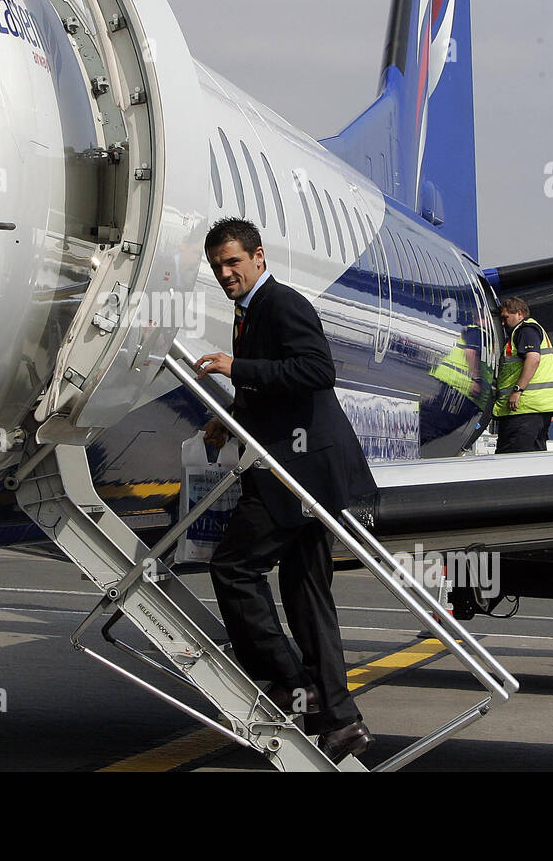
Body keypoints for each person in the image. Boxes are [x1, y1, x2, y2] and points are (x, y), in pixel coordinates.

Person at [192, 218, 375, 763]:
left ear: (258, 257)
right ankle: (340, 721)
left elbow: (316, 370)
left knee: (233, 568)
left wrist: (237, 366)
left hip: (296, 472)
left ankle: (291, 680)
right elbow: (277, 384)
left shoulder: (281, 303)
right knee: (307, 594)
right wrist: (231, 415)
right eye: (217, 266)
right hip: (307, 471)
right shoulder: (249, 310)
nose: (225, 274)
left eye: (232, 262)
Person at [492, 297, 553, 452]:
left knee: (510, 458)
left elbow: (533, 359)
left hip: (524, 408)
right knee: (531, 459)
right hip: (536, 409)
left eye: (506, 318)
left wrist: (518, 390)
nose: (503, 324)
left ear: (519, 314)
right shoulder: (530, 330)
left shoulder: (525, 330)